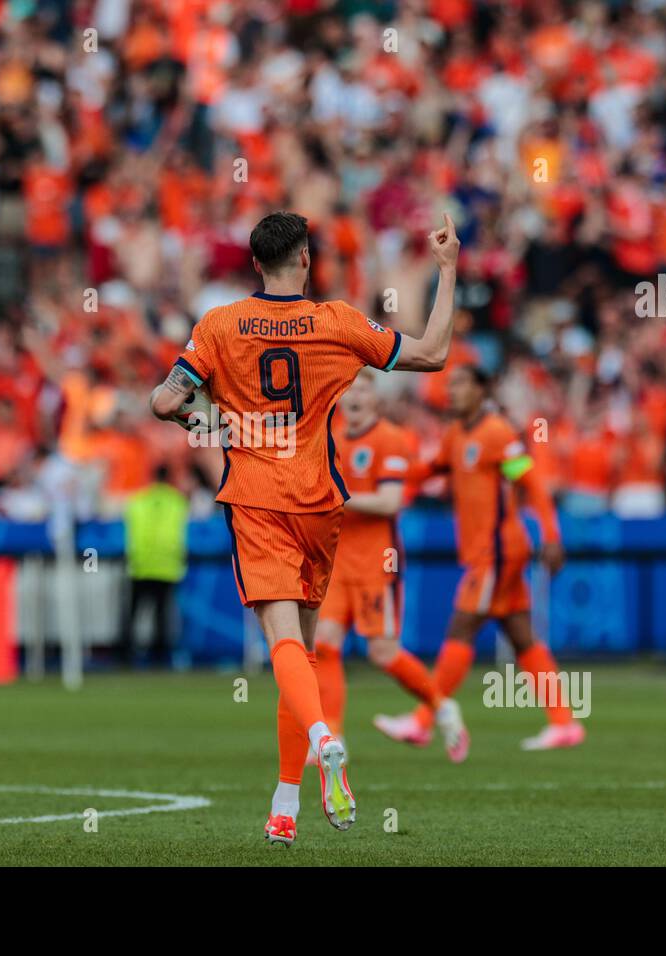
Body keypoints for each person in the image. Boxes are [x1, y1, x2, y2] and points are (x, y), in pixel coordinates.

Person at [150, 210, 460, 847]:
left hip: (258, 498)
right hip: (321, 501)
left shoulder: (220, 324)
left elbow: (164, 401)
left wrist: (209, 425)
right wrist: (448, 269)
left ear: (256, 264)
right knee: (307, 653)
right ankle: (285, 805)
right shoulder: (337, 321)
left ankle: (324, 739)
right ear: (308, 260)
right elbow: (431, 354)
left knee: (283, 646)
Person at [376, 364, 584, 756]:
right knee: (522, 636)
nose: (450, 391)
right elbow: (430, 470)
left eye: (460, 384)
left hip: (498, 552)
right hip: (486, 553)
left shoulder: (497, 433)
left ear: (481, 389)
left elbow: (531, 484)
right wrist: (390, 480)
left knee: (461, 627)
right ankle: (564, 723)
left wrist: (552, 536)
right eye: (449, 384)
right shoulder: (456, 435)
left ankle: (423, 720)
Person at [311, 369, 461, 762]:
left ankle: (440, 706)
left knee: (382, 653)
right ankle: (333, 737)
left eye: (362, 389)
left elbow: (390, 501)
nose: (354, 397)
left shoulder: (391, 439)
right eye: (348, 389)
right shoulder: (332, 439)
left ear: (375, 398)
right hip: (337, 562)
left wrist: (337, 499)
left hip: (378, 562)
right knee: (324, 645)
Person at [119, 466, 189, 666]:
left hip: (140, 564)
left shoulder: (137, 501)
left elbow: (128, 530)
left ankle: (126, 656)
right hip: (167, 565)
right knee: (162, 614)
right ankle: (160, 657)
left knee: (134, 612)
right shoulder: (178, 502)